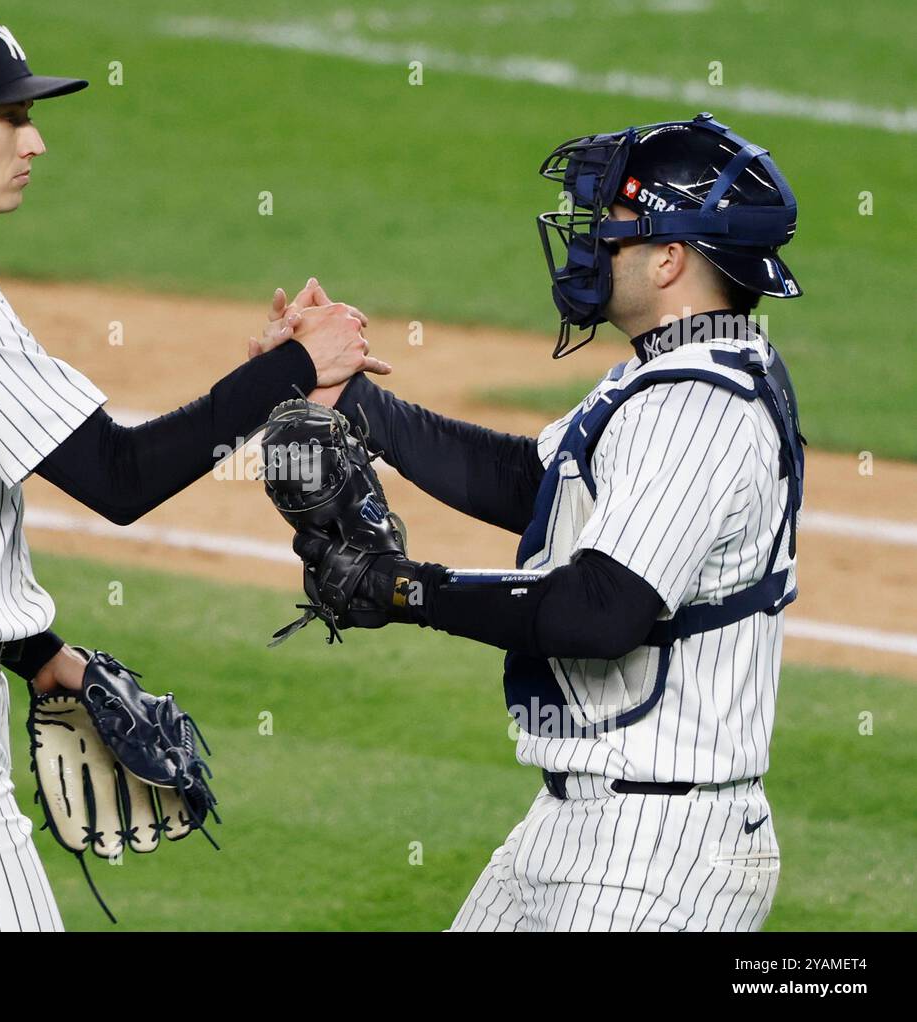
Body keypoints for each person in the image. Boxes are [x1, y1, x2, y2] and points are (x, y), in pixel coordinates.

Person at [0, 14, 387, 932]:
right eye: (10, 116)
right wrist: (296, 368)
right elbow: (120, 476)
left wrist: (38, 655)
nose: (36, 140)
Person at [276, 113, 805, 931]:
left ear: (670, 258)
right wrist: (351, 399)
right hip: (579, 825)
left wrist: (406, 592)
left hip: (653, 854)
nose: (588, 244)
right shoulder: (676, 370)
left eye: (613, 229)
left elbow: (602, 612)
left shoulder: (698, 405)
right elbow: (535, 481)